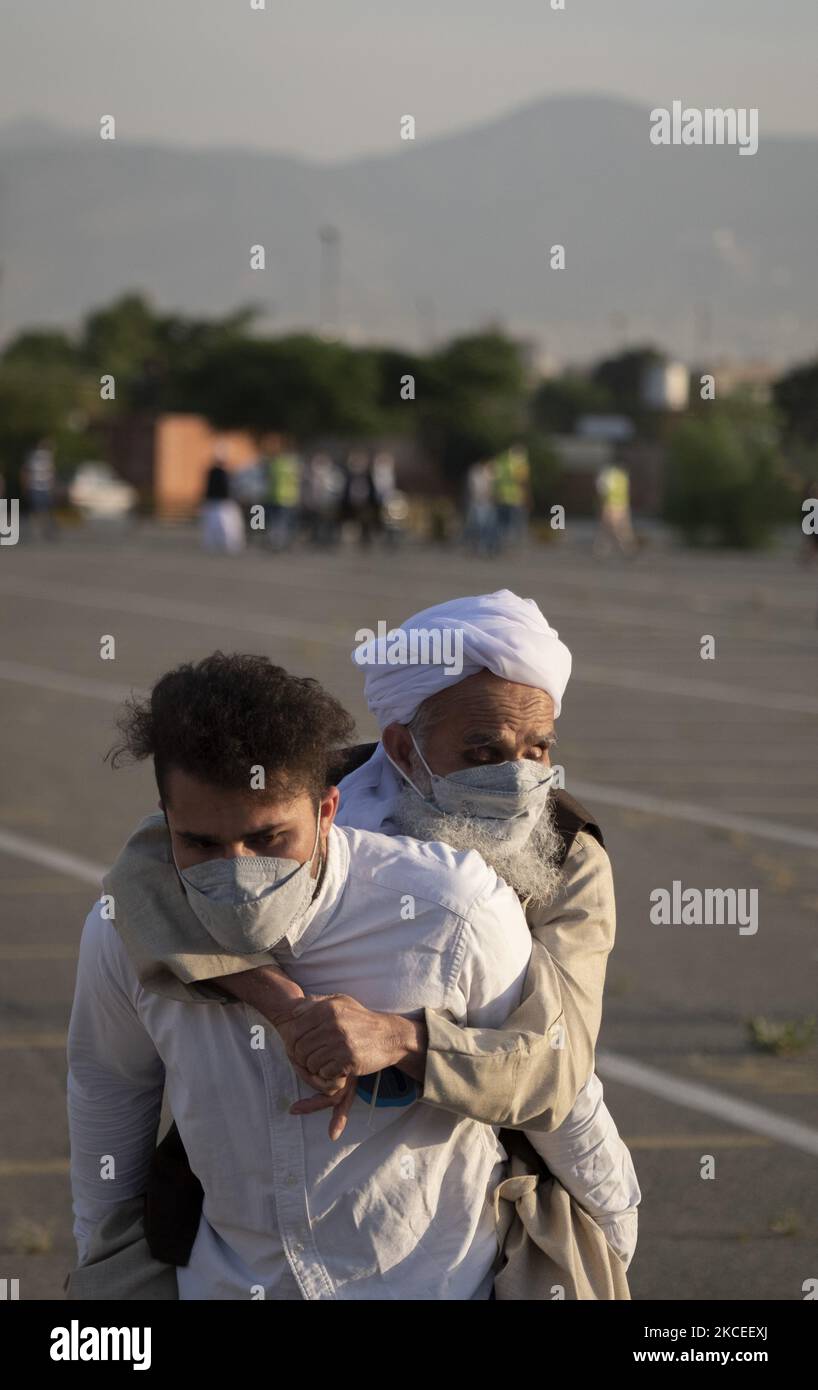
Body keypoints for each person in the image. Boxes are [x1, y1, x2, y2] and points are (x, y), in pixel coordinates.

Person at [77, 592, 639, 1299]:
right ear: (402, 748)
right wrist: (281, 1004)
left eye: (539, 750)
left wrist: (402, 1040)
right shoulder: (313, 795)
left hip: (465, 1196)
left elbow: (558, 1068)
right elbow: (149, 878)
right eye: (485, 752)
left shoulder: (564, 862)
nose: (519, 775)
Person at [199, 459, 245, 554]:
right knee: (227, 526)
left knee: (214, 526)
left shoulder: (213, 473)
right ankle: (229, 545)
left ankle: (215, 545)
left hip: (214, 502)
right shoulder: (223, 474)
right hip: (222, 503)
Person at [492, 444, 530, 549]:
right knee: (514, 524)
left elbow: (494, 480)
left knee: (501, 524)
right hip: (514, 499)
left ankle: (499, 545)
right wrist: (527, 497)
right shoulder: (519, 462)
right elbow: (522, 482)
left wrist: (494, 494)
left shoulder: (501, 460)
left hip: (500, 498)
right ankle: (511, 547)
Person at [263, 448, 301, 550]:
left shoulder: (274, 465)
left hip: (274, 497)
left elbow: (268, 480)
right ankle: (284, 542)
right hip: (289, 498)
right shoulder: (293, 466)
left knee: (275, 521)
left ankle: (275, 542)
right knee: (286, 522)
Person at [594, 464, 635, 556]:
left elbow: (601, 489)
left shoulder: (608, 476)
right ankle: (628, 547)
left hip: (610, 505)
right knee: (622, 527)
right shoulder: (623, 477)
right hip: (623, 505)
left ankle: (604, 547)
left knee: (608, 527)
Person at [22, 438, 58, 540]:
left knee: (38, 510)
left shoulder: (34, 456)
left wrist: (26, 485)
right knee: (42, 510)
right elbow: (51, 473)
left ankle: (38, 531)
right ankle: (41, 531)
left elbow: (26, 472)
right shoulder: (46, 457)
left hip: (37, 487)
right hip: (41, 487)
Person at [464, 460, 498, 556]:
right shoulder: (476, 472)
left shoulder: (489, 472)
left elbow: (491, 488)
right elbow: (476, 489)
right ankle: (478, 547)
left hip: (487, 503)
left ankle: (485, 547)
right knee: (478, 526)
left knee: (487, 527)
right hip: (479, 502)